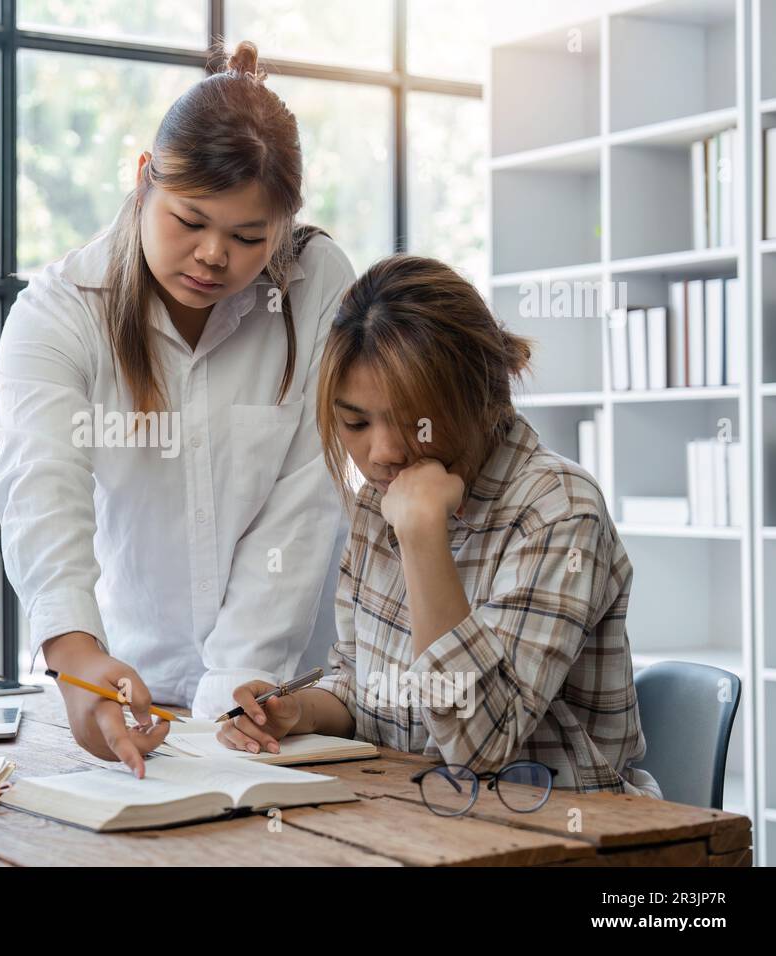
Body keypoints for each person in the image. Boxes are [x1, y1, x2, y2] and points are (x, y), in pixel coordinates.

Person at [0, 41, 355, 776]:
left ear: (284, 226)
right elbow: (42, 489)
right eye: (190, 221)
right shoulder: (60, 313)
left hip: (279, 706)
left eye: (250, 236)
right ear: (142, 182)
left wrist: (233, 696)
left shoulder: (317, 285)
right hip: (130, 694)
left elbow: (306, 499)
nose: (214, 256)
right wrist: (77, 658)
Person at [217, 254, 662, 799]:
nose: (381, 453)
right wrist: (299, 711)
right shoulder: (377, 502)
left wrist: (422, 537)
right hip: (417, 811)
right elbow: (364, 690)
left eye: (412, 423)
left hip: (562, 829)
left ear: (479, 397)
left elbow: (480, 747)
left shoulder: (558, 510)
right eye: (354, 422)